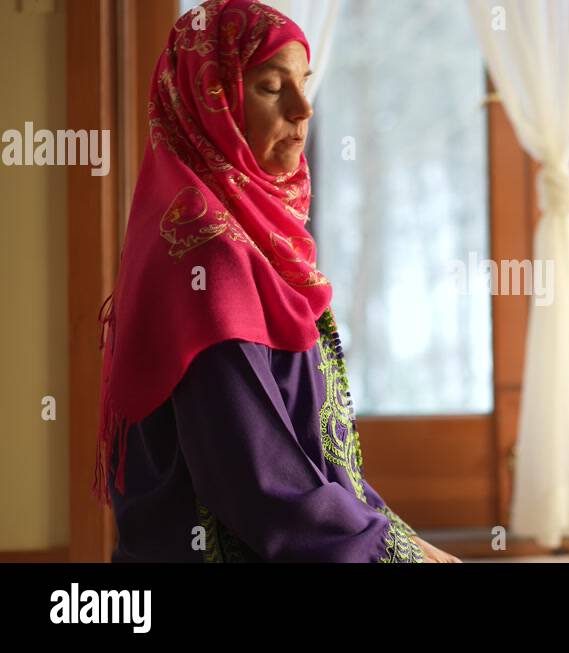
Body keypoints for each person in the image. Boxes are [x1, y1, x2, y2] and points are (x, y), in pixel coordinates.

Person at [94, 0, 460, 563]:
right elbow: (262, 486)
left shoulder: (254, 242)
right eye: (271, 87)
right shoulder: (208, 261)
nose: (303, 107)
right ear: (209, 107)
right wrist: (390, 552)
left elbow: (317, 459)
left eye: (304, 81)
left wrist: (399, 540)